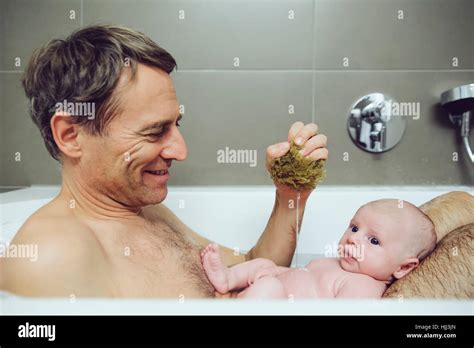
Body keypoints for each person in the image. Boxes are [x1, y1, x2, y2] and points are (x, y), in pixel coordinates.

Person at [0, 25, 328, 297]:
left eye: (176, 124)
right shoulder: (51, 257)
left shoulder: (143, 209)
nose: (180, 151)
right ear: (71, 136)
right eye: (155, 132)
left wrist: (290, 196)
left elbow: (252, 268)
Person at [201, 199, 436, 299]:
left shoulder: (364, 286)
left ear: (404, 267)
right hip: (269, 292)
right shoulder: (335, 263)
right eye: (354, 228)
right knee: (266, 265)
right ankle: (228, 278)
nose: (353, 239)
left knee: (270, 286)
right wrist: (270, 273)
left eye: (373, 241)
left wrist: (270, 284)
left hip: (275, 301)